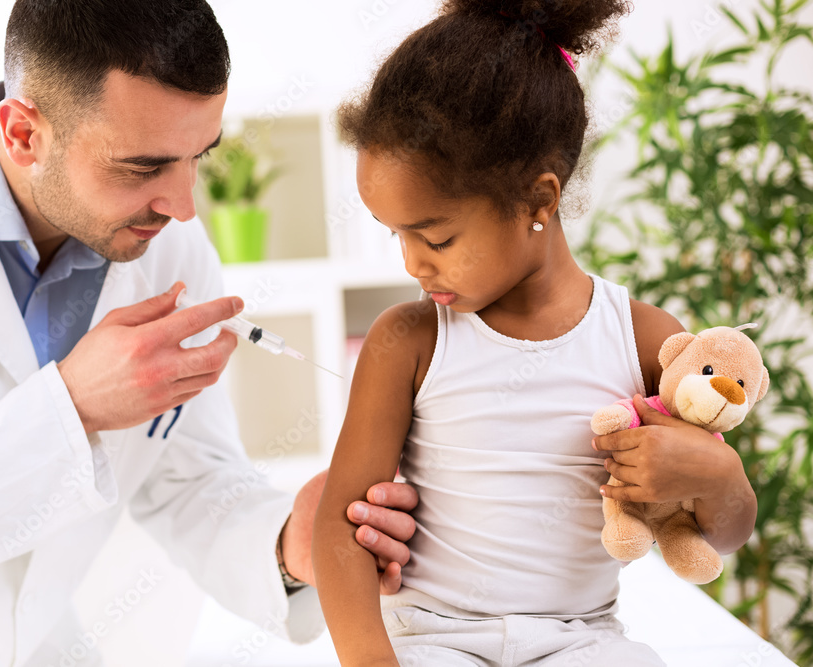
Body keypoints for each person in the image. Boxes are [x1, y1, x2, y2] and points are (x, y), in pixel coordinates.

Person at [0, 1, 419, 664]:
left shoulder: (166, 245)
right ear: (21, 135)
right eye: (143, 168)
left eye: (198, 157)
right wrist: (73, 407)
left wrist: (287, 545)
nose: (184, 206)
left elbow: (191, 484)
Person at [312, 1, 758, 665]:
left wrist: (719, 473)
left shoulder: (644, 339)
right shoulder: (406, 340)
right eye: (396, 235)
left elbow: (720, 536)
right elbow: (338, 524)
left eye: (434, 236)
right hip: (434, 636)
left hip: (580, 638)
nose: (411, 263)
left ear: (539, 201)